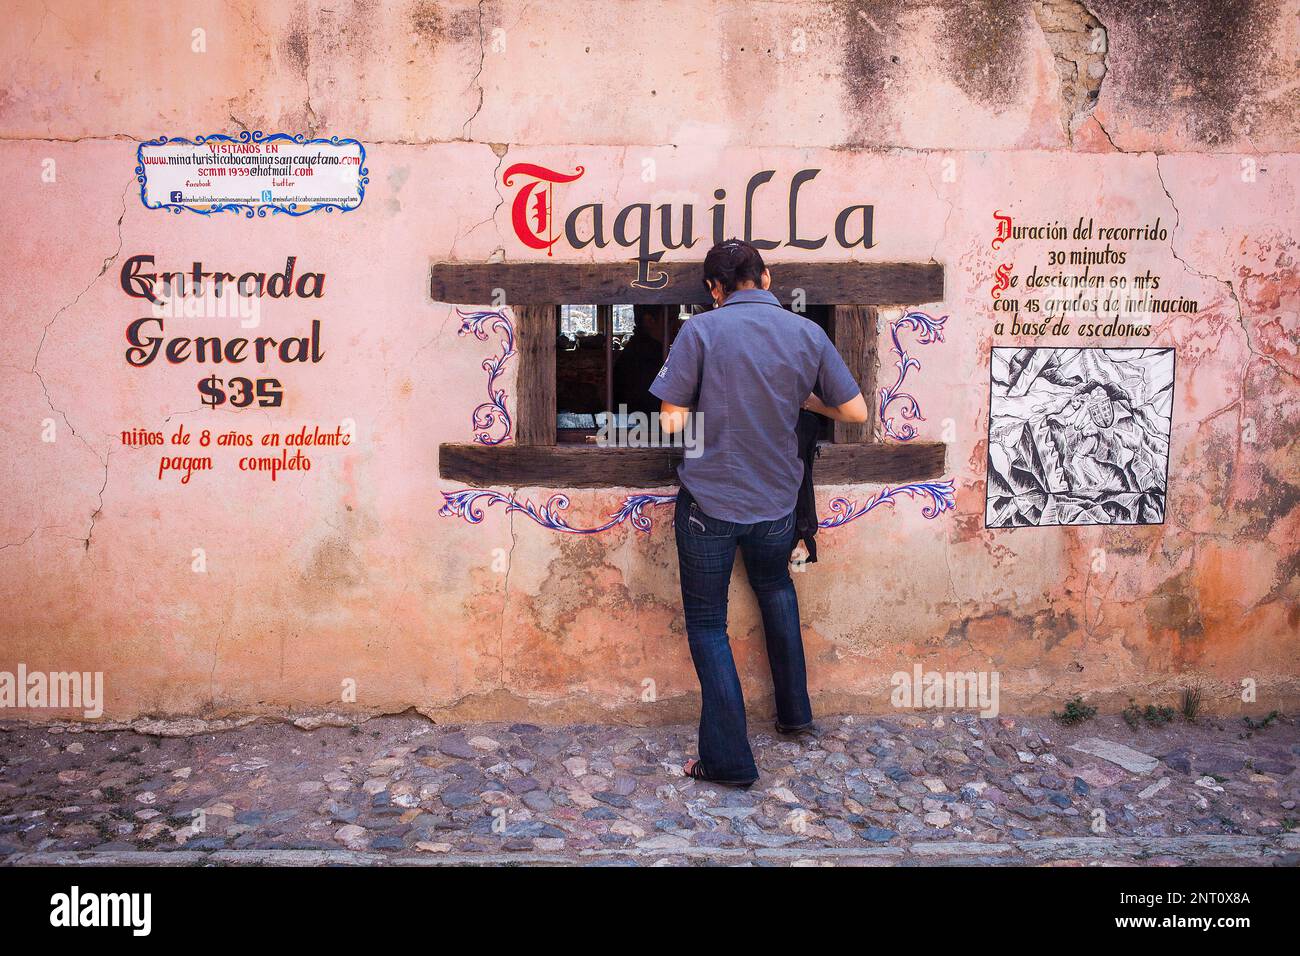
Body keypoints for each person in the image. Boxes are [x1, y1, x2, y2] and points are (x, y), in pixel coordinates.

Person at [650, 239, 869, 787]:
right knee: (775, 590)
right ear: (767, 278)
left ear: (714, 289)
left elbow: (672, 425)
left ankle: (729, 761)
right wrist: (803, 399)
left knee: (707, 625)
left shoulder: (699, 331)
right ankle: (795, 714)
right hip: (777, 505)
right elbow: (855, 410)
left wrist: (705, 397)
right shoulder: (807, 333)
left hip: (709, 504)